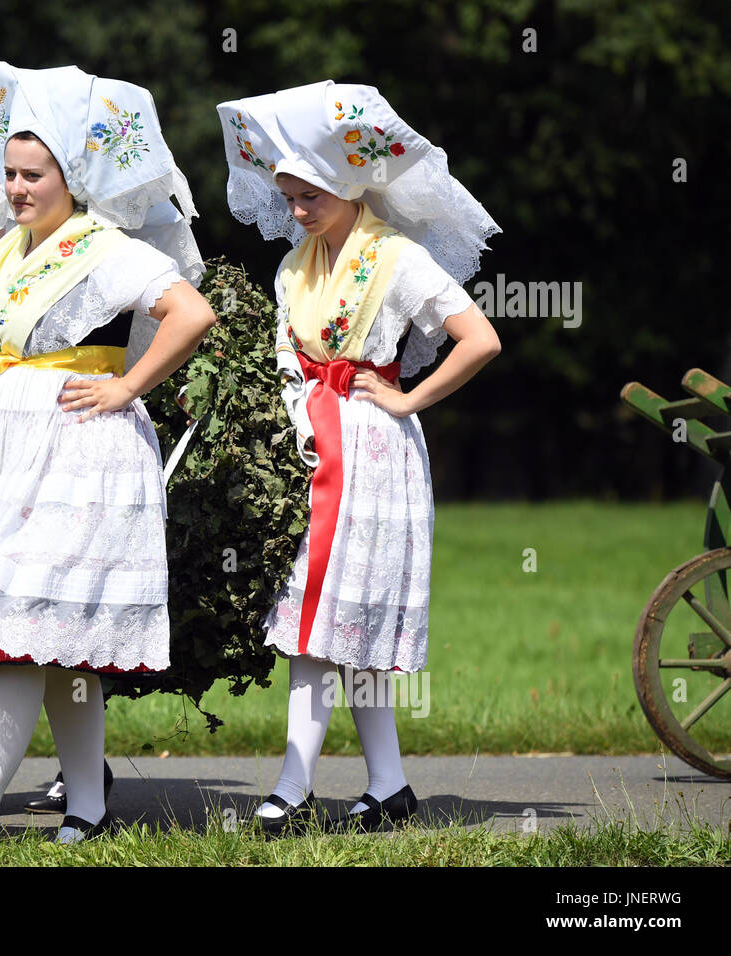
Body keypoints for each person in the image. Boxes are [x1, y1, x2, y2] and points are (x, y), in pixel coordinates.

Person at [0, 62, 213, 844]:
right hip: (9, 452)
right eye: (8, 173)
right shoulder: (8, 252)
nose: (17, 188)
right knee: (59, 642)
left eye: (33, 174)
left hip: (79, 453)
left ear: (72, 176)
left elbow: (189, 312)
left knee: (15, 620)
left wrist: (127, 385)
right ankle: (91, 811)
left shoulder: (103, 246)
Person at [215, 82, 501, 834]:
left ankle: (294, 785)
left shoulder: (398, 259)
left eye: (310, 196)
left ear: (346, 187)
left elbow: (480, 338)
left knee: (338, 622)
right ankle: (386, 784)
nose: (297, 211)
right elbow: (285, 351)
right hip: (314, 444)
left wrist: (407, 399)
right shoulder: (295, 269)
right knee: (327, 619)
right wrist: (293, 418)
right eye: (289, 197)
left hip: (373, 448)